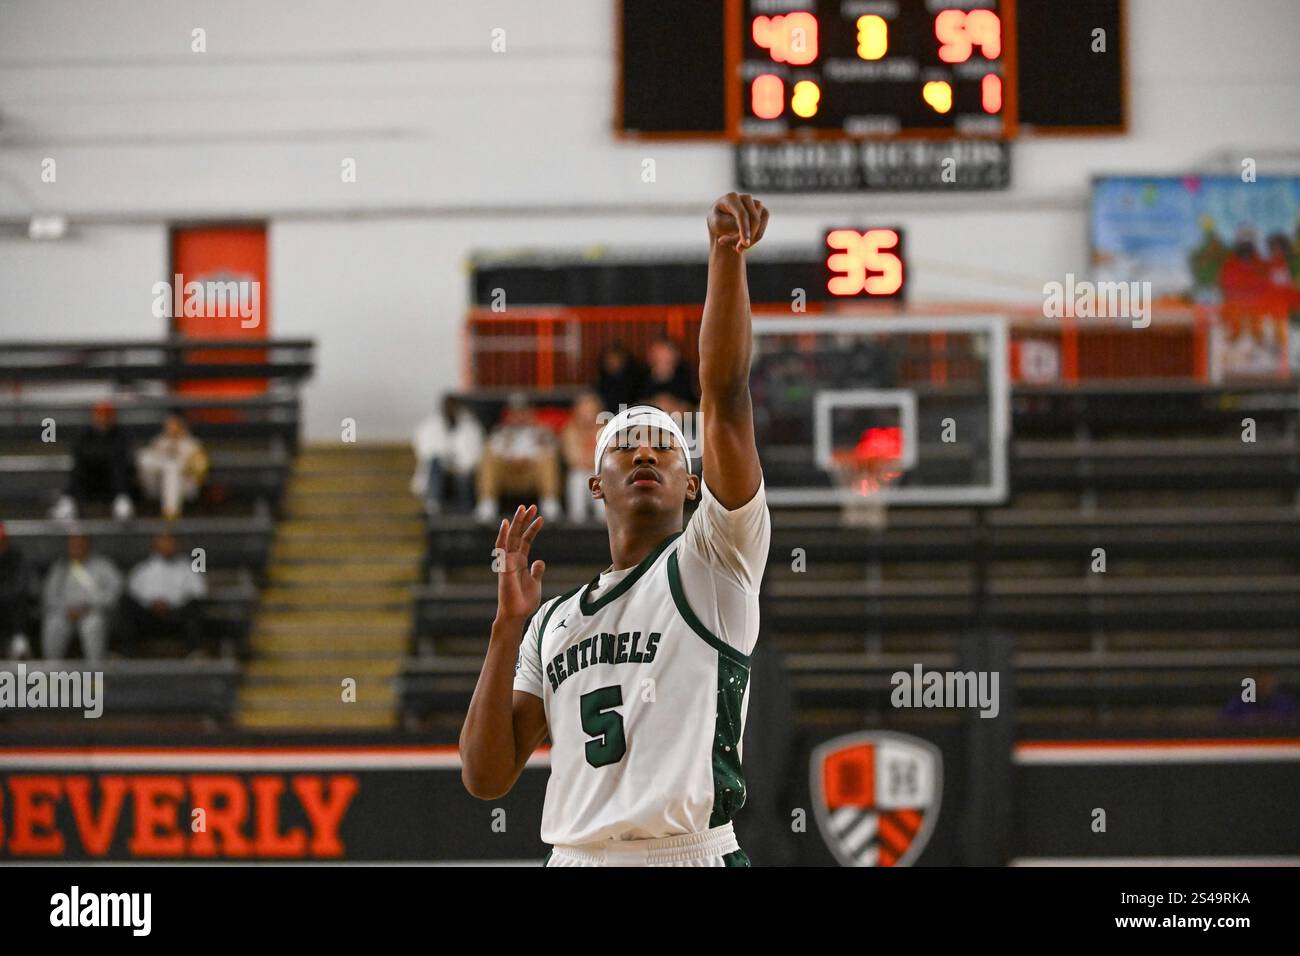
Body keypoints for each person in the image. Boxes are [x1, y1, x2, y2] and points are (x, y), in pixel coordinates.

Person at [461, 193, 773, 867]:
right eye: (624, 445)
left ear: (693, 484)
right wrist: (505, 630)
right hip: (574, 856)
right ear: (596, 482)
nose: (642, 453)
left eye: (662, 448)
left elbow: (723, 395)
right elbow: (486, 778)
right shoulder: (551, 623)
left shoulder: (714, 560)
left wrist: (725, 256)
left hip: (686, 853)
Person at [474, 394, 562, 524]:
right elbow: (493, 450)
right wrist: (509, 458)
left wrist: (529, 458)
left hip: (531, 476)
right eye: (515, 412)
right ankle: (487, 503)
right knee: (488, 458)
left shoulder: (541, 432)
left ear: (530, 413)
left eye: (523, 412)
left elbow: (552, 449)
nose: (519, 416)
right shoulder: (501, 432)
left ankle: (550, 503)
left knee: (548, 459)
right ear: (509, 414)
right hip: (507, 475)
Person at [120, 532, 208, 658]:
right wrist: (152, 603)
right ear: (155, 545)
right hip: (148, 616)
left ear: (178, 545)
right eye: (163, 542)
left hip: (177, 616)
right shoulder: (142, 569)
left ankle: (195, 652)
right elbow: (132, 593)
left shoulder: (190, 568)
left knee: (194, 607)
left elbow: (200, 593)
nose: (167, 546)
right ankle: (128, 652)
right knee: (125, 602)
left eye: (170, 543)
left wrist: (171, 604)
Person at [41, 533, 123, 663]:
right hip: (65, 613)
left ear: (89, 544)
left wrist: (89, 607)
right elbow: (49, 596)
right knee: (53, 624)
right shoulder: (61, 567)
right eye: (73, 543)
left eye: (80, 543)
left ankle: (96, 673)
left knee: (92, 625)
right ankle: (52, 672)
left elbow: (114, 593)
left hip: (94, 612)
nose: (76, 547)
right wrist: (66, 609)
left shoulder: (104, 565)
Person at [51, 401, 135, 522]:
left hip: (113, 482)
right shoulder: (84, 434)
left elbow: (122, 456)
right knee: (79, 466)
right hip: (89, 481)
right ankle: (67, 501)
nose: (103, 418)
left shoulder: (121, 434)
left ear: (112, 417)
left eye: (106, 415)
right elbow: (78, 453)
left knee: (118, 464)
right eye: (100, 414)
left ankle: (122, 501)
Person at [411, 396, 485, 515]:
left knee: (463, 476)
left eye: (454, 406)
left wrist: (459, 463)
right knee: (435, 464)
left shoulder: (471, 426)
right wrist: (446, 458)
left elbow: (476, 450)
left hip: (464, 468)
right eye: (448, 406)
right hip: (440, 467)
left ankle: (466, 509)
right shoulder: (430, 425)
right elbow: (425, 449)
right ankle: (433, 505)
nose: (451, 409)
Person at [136, 413, 208, 519]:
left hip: (186, 484)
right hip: (159, 485)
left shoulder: (192, 444)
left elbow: (200, 469)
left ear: (181, 427)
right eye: (169, 426)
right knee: (143, 456)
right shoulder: (160, 441)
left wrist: (180, 455)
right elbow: (148, 463)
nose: (172, 429)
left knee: (172, 466)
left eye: (174, 426)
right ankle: (168, 511)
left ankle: (171, 514)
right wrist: (165, 451)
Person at [560, 391, 607, 525]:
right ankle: (576, 521)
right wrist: (588, 460)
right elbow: (572, 458)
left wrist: (592, 462)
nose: (587, 415)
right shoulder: (570, 430)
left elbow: (607, 457)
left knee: (601, 478)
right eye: (584, 410)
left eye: (591, 410)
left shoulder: (605, 430)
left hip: (600, 473)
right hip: (580, 472)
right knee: (576, 478)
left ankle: (604, 521)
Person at [0, 523, 33, 660]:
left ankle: (19, 641)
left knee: (19, 601)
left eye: (1, 542)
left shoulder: (17, 558)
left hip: (13, 613)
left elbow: (20, 588)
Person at [641, 335, 696, 408]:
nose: (662, 357)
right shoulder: (640, 376)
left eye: (666, 353)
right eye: (658, 353)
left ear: (676, 355)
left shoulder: (687, 376)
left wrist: (673, 405)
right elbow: (634, 404)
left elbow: (693, 406)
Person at [596, 343, 645, 414]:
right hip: (606, 417)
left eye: (615, 358)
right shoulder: (602, 381)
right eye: (609, 359)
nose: (612, 362)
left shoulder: (634, 381)